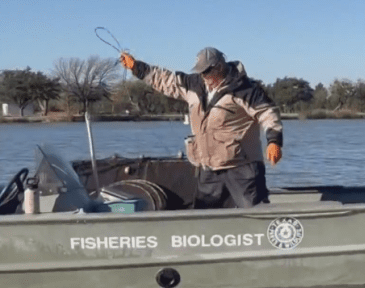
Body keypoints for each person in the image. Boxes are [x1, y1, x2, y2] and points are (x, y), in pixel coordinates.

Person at [120, 47, 283, 208]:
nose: (204, 76)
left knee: (255, 216)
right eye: (201, 72)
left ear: (219, 67)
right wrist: (136, 68)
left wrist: (274, 141)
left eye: (206, 71)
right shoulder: (194, 85)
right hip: (209, 168)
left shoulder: (246, 89)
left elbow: (268, 114)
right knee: (205, 218)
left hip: (242, 168)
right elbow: (165, 79)